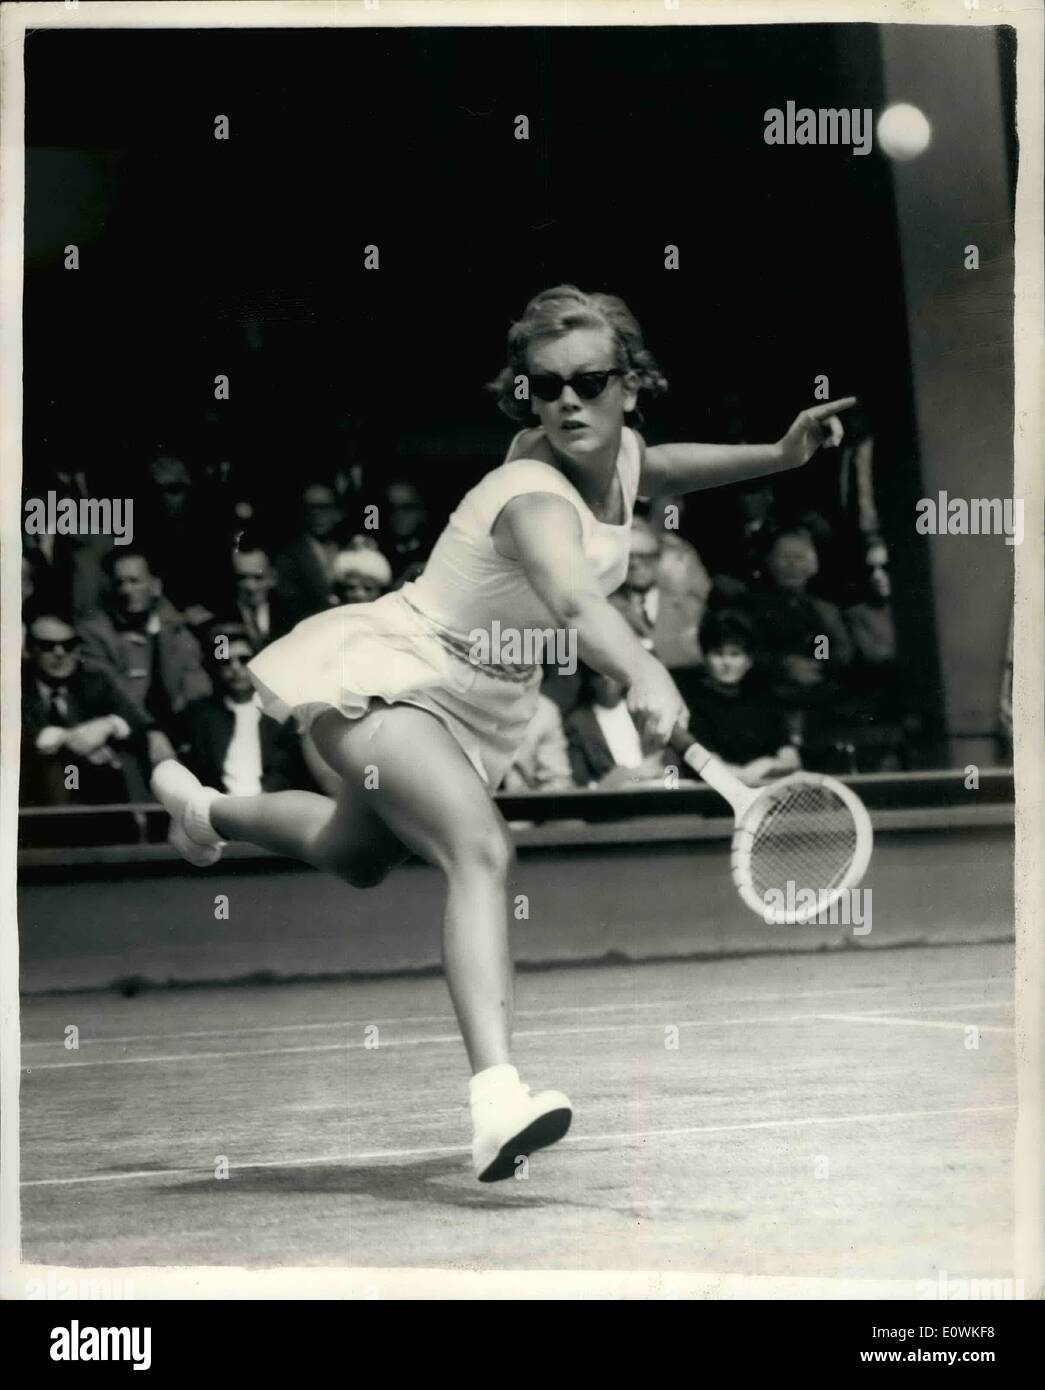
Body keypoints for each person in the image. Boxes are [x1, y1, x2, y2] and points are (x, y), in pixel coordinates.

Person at [149, 284, 853, 1182]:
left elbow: (658, 467)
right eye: (545, 385)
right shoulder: (531, 493)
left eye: (590, 381)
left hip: (480, 710)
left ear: (629, 385)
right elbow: (571, 597)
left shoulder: (618, 455)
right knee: (479, 850)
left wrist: (781, 453)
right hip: (393, 677)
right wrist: (639, 668)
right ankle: (494, 1101)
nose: (567, 400)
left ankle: (202, 811)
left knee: (356, 853)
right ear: (527, 394)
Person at [78, 548, 211, 751]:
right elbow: (113, 693)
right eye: (119, 583)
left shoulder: (175, 628)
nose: (126, 590)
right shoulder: (95, 633)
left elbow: (197, 686)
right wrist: (152, 731)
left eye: (134, 581)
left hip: (181, 736)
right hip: (127, 738)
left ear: (155, 586)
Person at [20, 609, 151, 811]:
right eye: (47, 646)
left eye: (69, 645)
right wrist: (62, 739)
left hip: (92, 783)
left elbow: (135, 721)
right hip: (34, 791)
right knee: (57, 766)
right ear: (29, 649)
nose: (60, 653)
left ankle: (138, 833)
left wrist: (108, 725)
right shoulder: (13, 687)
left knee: (124, 759)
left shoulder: (94, 680)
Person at [675, 610, 799, 786]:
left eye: (735, 654)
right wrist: (746, 775)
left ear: (749, 661)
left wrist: (765, 765)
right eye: (718, 654)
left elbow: (792, 760)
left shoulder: (765, 702)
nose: (727, 663)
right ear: (705, 659)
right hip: (712, 795)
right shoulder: (692, 705)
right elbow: (706, 764)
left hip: (764, 793)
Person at [176, 626, 300, 795]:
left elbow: (288, 769)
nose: (235, 668)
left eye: (243, 659)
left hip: (272, 808)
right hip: (219, 809)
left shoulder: (281, 714)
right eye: (226, 661)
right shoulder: (202, 715)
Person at [564, 662, 677, 789]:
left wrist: (669, 780)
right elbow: (580, 785)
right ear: (589, 679)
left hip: (657, 790)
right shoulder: (577, 723)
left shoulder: (642, 707)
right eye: (598, 674)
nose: (607, 678)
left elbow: (670, 763)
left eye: (612, 673)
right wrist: (622, 778)